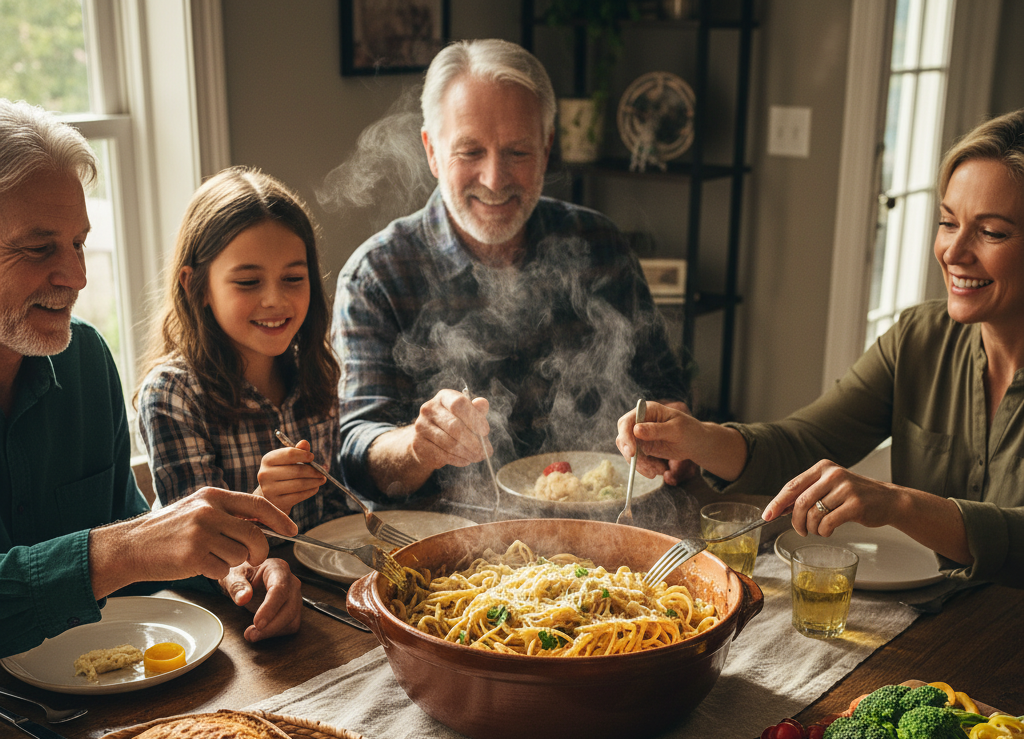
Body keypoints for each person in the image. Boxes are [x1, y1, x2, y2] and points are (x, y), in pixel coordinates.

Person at [616, 108, 1024, 587]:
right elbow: (803, 445)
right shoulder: (918, 338)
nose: (953, 252)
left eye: (991, 232)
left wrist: (898, 502)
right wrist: (697, 438)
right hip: (943, 615)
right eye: (948, 222)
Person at [0, 99, 301, 658]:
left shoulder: (85, 360)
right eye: (40, 248)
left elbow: (133, 541)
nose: (77, 277)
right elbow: (127, 548)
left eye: (78, 243)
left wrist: (231, 569)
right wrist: (126, 549)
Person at [332, 38, 689, 505]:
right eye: (470, 151)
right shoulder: (376, 276)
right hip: (445, 537)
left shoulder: (599, 244)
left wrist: (673, 432)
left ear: (547, 146)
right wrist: (419, 446)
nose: (495, 178)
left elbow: (662, 386)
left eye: (518, 152)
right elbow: (357, 455)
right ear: (432, 151)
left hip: (596, 524)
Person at [137, 167, 346, 532]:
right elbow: (196, 543)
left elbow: (336, 512)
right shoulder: (173, 394)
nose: (275, 299)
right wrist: (264, 502)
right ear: (196, 286)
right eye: (248, 282)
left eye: (293, 278)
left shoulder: (317, 370)